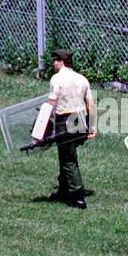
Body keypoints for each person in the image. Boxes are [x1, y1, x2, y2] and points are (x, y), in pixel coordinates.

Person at [25, 48, 96, 209]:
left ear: (61, 61)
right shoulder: (82, 79)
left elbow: (51, 103)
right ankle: (64, 190)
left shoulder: (57, 79)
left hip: (64, 120)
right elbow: (90, 105)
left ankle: (77, 197)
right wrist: (91, 127)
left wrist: (38, 132)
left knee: (68, 159)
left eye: (54, 60)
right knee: (65, 155)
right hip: (80, 120)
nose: (53, 63)